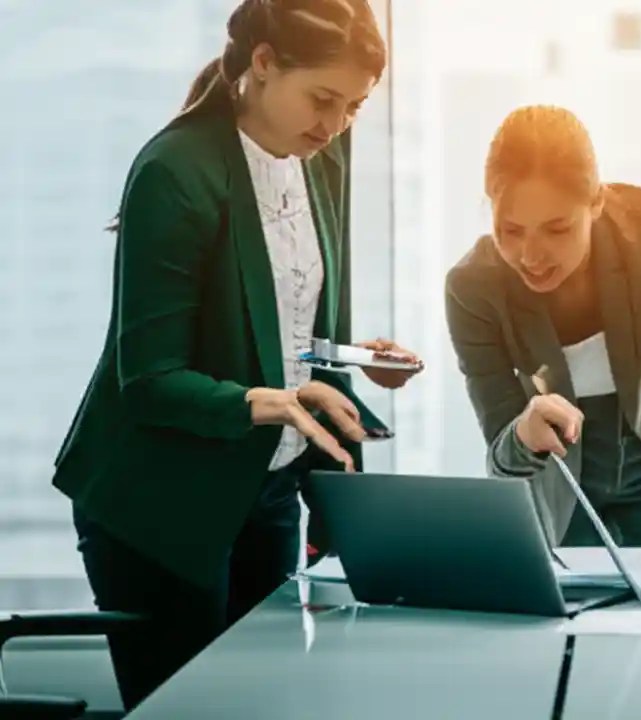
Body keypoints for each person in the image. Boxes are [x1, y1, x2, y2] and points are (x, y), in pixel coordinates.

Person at [52, 0, 420, 709]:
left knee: (264, 707)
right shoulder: (175, 170)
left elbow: (283, 327)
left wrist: (347, 357)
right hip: (162, 500)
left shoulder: (321, 154)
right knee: (191, 709)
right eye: (322, 99)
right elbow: (150, 381)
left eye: (355, 106)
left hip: (265, 485)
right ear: (262, 63)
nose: (336, 124)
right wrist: (270, 401)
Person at [445, 105, 641, 564]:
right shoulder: (473, 287)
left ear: (596, 202)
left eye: (557, 229)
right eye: (510, 230)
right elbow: (501, 447)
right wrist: (522, 434)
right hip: (562, 476)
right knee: (574, 618)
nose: (531, 255)